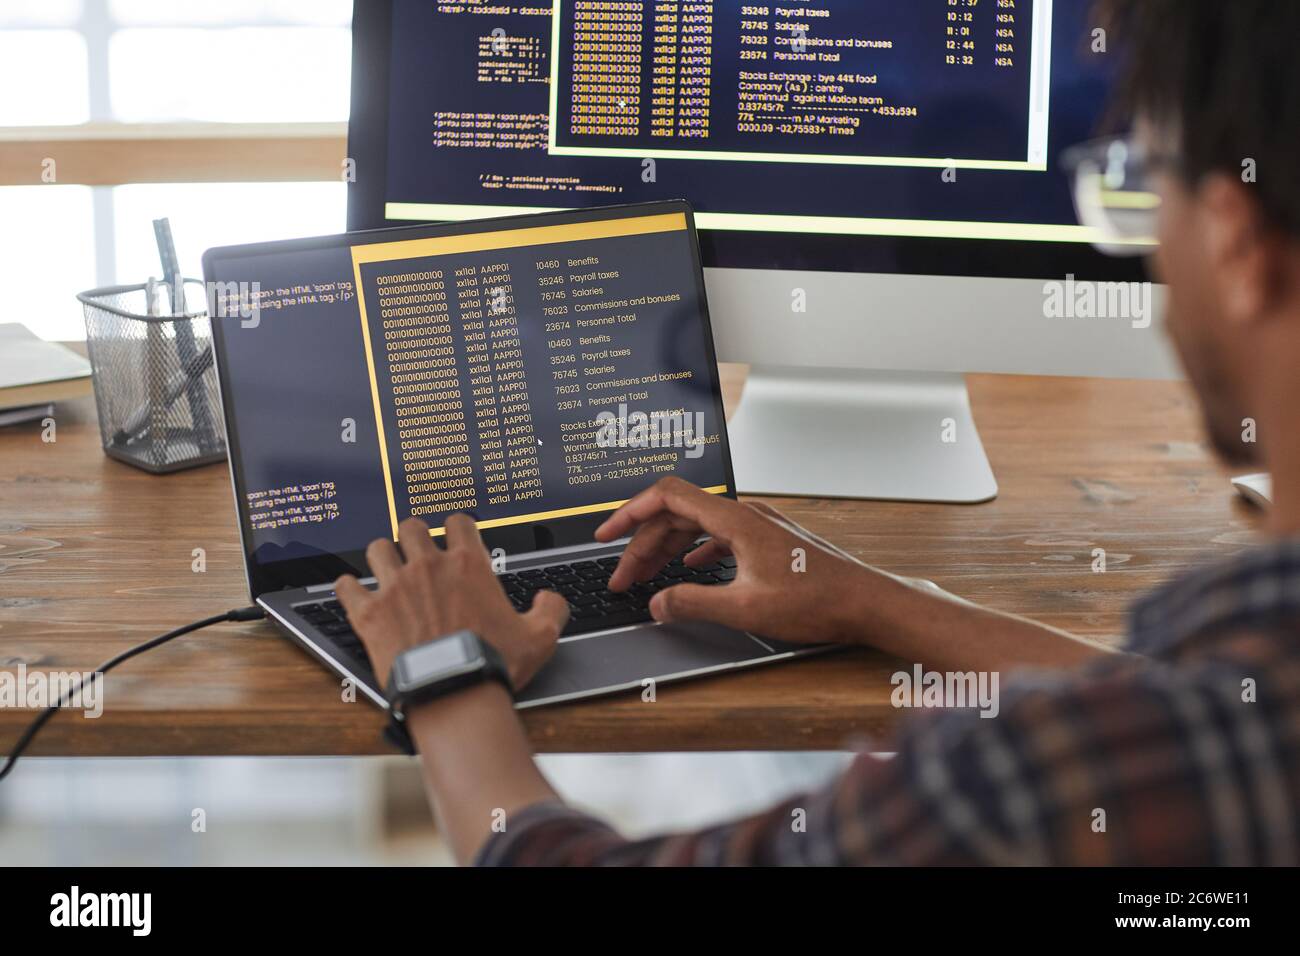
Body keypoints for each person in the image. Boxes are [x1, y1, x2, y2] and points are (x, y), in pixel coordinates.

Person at [334, 0, 1300, 865]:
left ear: (1236, 241)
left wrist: (447, 675)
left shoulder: (1018, 788)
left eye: (1140, 177)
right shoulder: (1227, 726)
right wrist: (872, 604)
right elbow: (1179, 716)